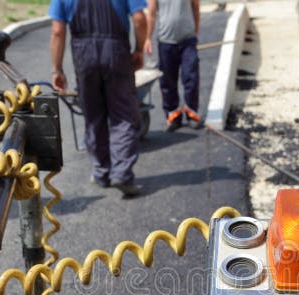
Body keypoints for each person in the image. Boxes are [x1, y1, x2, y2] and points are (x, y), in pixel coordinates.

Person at [49, 0, 148, 197]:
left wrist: (57, 69)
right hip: (117, 52)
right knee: (124, 116)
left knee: (93, 116)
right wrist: (138, 50)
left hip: (84, 55)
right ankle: (122, 174)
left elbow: (58, 31)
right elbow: (139, 18)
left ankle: (102, 172)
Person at [144, 0, 202, 131]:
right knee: (167, 81)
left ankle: (191, 113)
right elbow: (151, 13)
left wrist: (195, 33)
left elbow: (196, 8)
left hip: (188, 39)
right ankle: (173, 115)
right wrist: (147, 38)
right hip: (166, 41)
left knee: (191, 76)